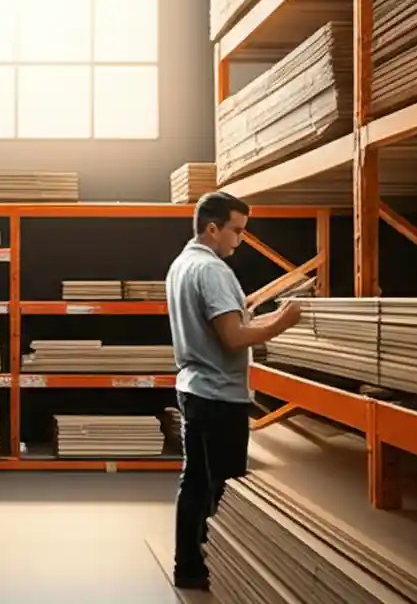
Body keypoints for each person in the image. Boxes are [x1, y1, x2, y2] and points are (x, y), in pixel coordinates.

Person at [166, 191, 302, 590]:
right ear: (213, 228)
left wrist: (269, 314)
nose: (239, 240)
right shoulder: (212, 271)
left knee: (194, 482)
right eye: (236, 231)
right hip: (218, 395)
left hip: (193, 388)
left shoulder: (181, 265)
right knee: (225, 489)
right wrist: (286, 322)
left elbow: (225, 324)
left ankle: (189, 567)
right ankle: (223, 570)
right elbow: (232, 336)